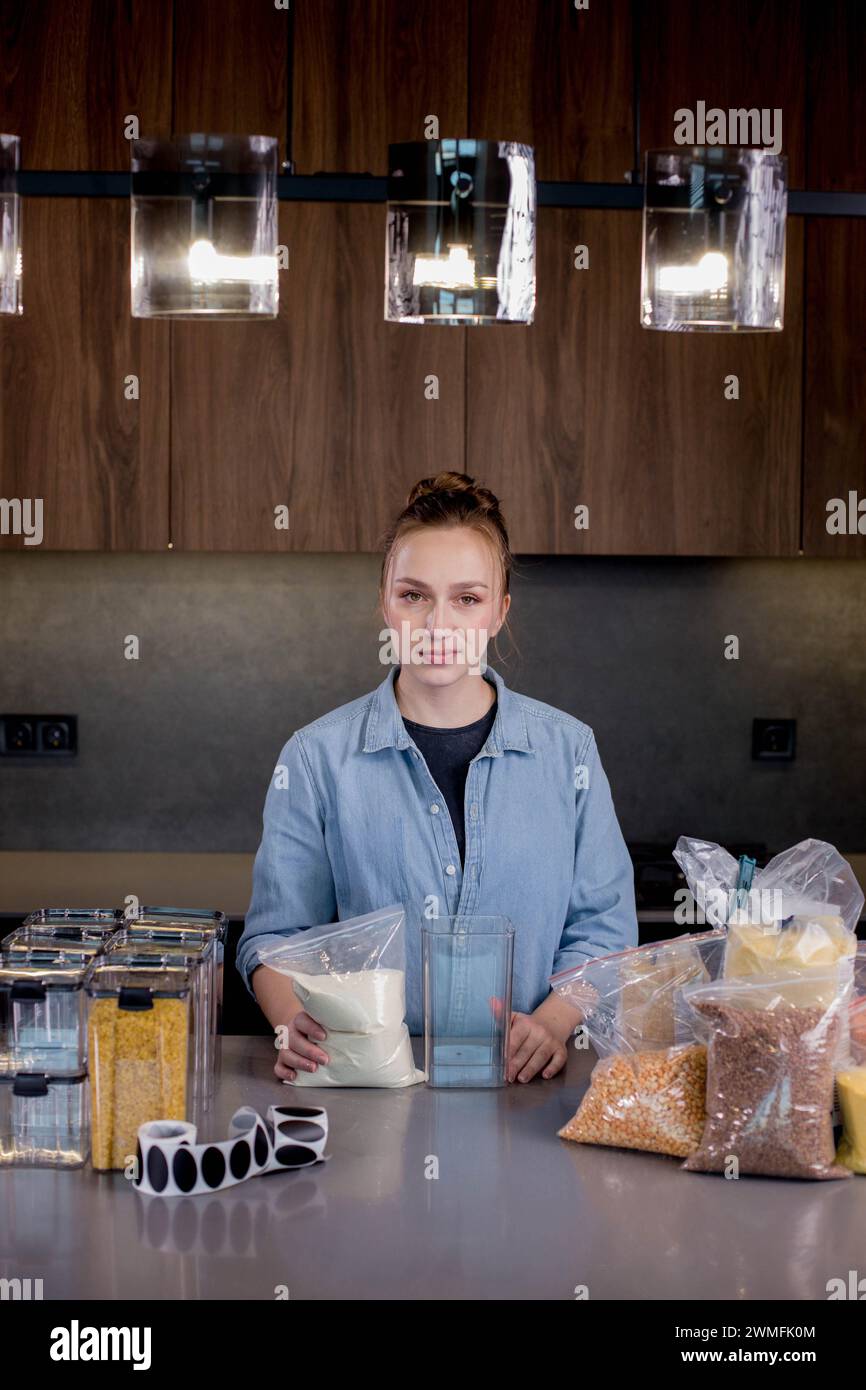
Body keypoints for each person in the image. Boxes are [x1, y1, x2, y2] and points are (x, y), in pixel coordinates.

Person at [237, 471, 637, 1084]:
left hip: (524, 1090)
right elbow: (275, 940)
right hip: (368, 1088)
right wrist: (294, 1023)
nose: (438, 625)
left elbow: (604, 929)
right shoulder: (315, 758)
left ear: (500, 611)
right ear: (384, 603)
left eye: (467, 599)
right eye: (414, 595)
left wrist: (553, 1025)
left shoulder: (569, 750)